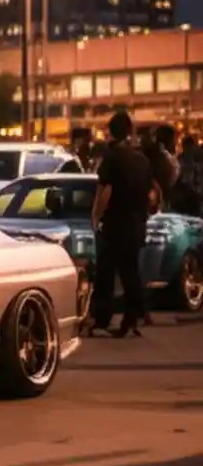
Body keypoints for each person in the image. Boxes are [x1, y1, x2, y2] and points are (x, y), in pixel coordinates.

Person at [89, 111, 155, 338]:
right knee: (131, 271)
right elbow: (152, 193)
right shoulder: (142, 160)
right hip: (137, 223)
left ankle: (101, 319)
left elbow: (105, 191)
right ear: (130, 131)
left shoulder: (112, 158)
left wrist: (95, 217)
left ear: (111, 131)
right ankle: (134, 315)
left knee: (106, 272)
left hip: (116, 223)